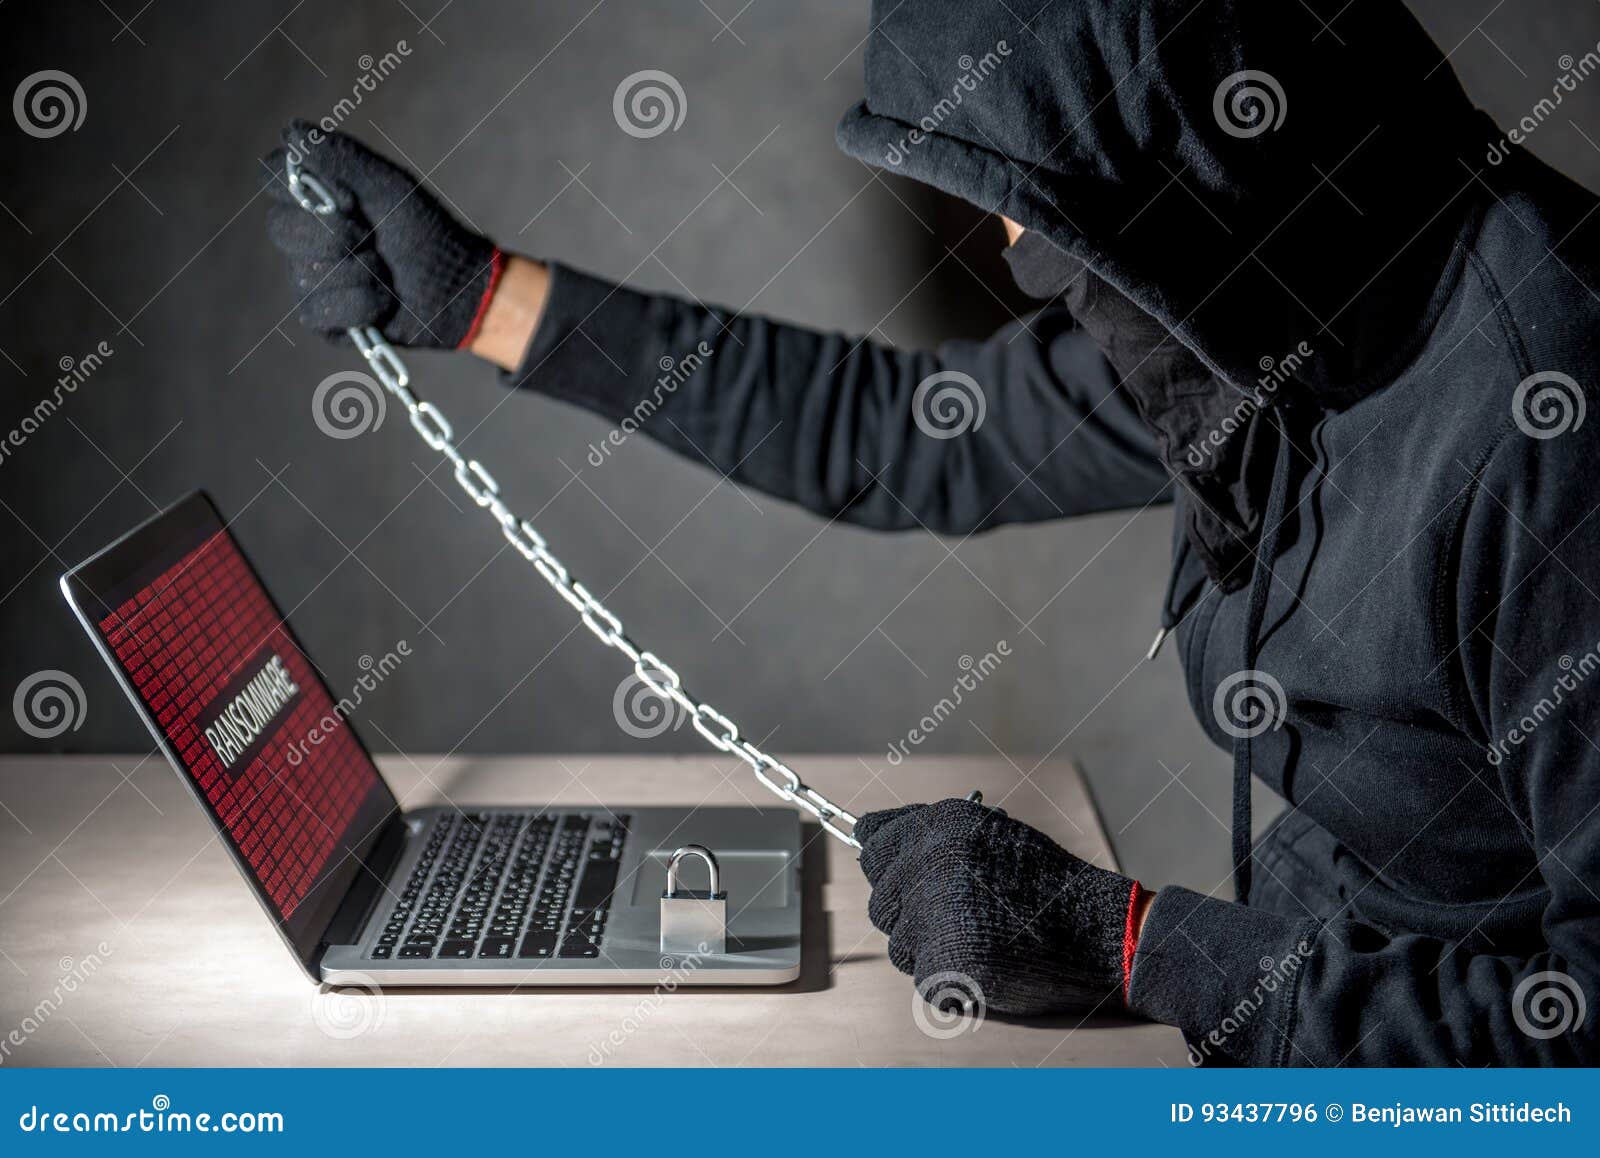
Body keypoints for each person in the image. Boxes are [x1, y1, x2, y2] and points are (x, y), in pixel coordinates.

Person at [264, 0, 1600, 1065]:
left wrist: (1142, 948)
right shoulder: (1265, 290)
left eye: (1039, 202)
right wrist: (481, 297)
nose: (1017, 242)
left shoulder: (1552, 419)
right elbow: (903, 435)